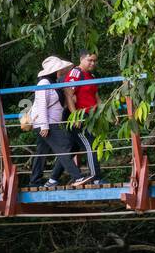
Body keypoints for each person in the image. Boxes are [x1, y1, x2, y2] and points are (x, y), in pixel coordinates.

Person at [29, 56, 91, 187]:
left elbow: (58, 104)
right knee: (64, 146)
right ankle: (77, 177)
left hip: (50, 122)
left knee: (41, 152)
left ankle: (34, 181)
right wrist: (44, 126)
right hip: (46, 123)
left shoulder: (54, 83)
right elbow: (41, 105)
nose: (61, 71)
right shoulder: (44, 83)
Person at [64, 49, 104, 184]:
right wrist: (75, 116)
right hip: (80, 116)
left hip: (92, 117)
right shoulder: (76, 73)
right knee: (91, 145)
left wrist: (108, 113)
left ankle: (52, 179)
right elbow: (68, 94)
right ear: (81, 59)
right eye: (89, 60)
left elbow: (96, 97)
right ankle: (96, 178)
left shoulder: (91, 76)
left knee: (70, 149)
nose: (92, 63)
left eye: (94, 60)